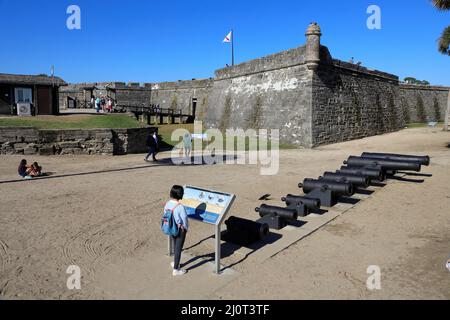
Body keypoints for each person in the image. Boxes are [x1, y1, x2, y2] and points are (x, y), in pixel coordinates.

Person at [164, 185, 189, 276]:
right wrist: (185, 229)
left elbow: (165, 214)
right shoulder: (180, 207)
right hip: (180, 230)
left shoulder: (167, 204)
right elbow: (184, 219)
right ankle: (176, 269)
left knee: (175, 245)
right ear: (180, 194)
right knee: (178, 248)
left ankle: (175, 262)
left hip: (171, 228)